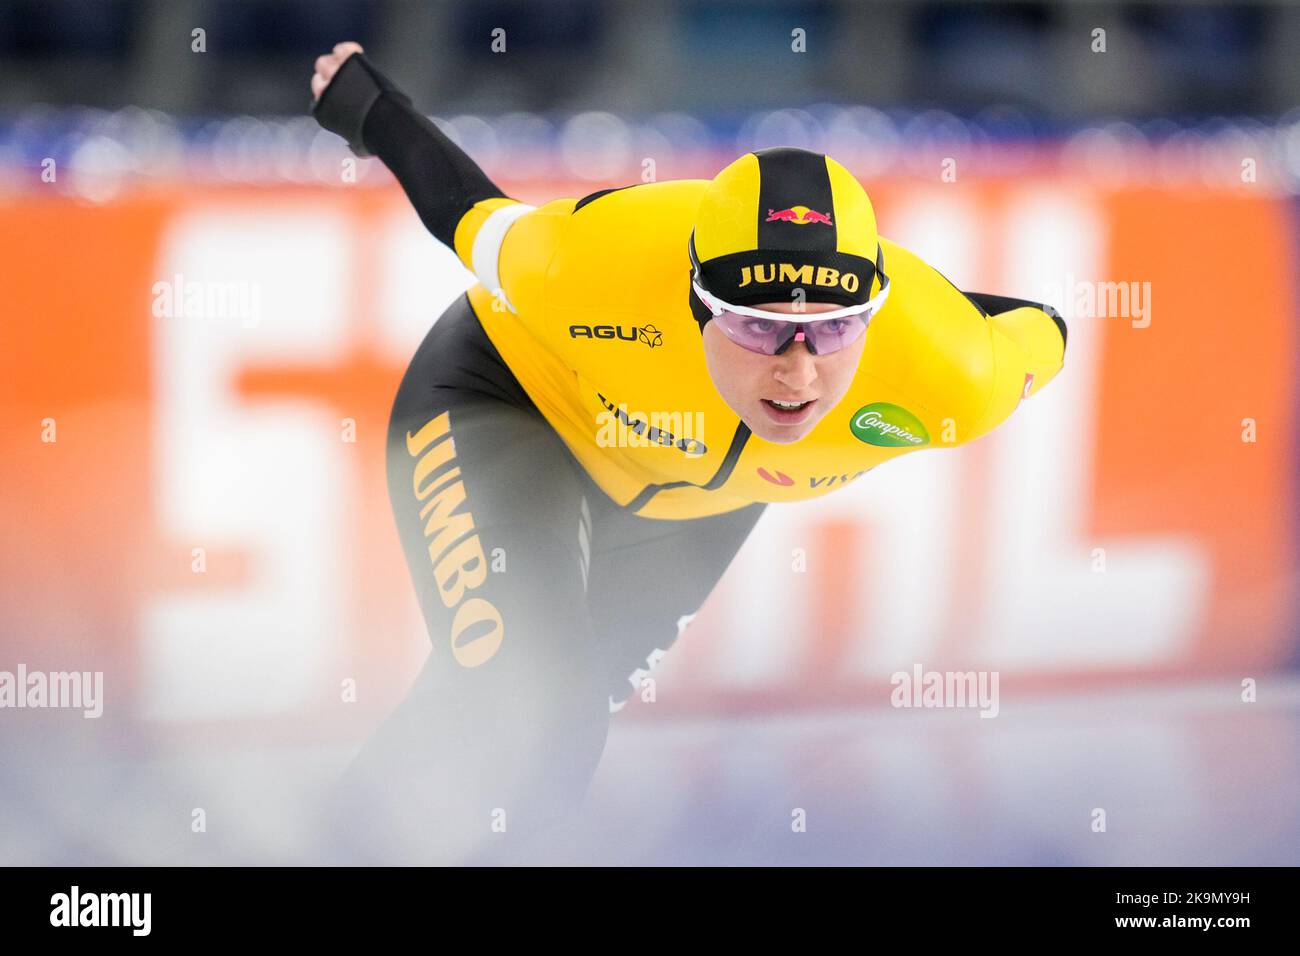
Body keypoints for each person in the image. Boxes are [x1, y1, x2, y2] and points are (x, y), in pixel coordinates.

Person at [310, 43, 1067, 863]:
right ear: (697, 303)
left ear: (874, 318)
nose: (797, 371)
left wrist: (944, 311)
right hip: (513, 405)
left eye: (836, 330)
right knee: (535, 699)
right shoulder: (593, 263)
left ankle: (337, 841)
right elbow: (461, 206)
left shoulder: (954, 372)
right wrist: (364, 104)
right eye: (757, 325)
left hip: (692, 502)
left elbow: (1047, 327)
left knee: (549, 697)